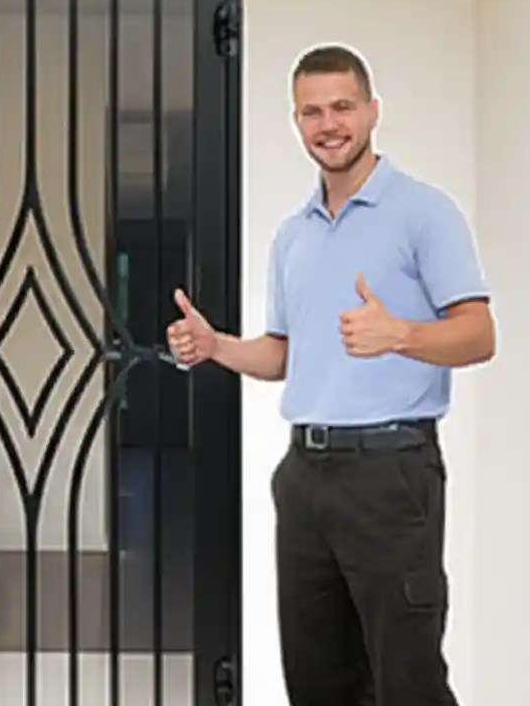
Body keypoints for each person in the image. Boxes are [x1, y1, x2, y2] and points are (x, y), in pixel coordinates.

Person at [166, 44, 495, 705]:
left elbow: (479, 335)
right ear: (296, 122)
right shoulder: (293, 235)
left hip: (390, 472)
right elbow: (286, 355)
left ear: (373, 111)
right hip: (305, 478)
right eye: (312, 112)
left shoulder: (424, 212)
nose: (328, 124)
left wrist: (399, 333)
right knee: (318, 681)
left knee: (407, 680)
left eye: (342, 106)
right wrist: (217, 345)